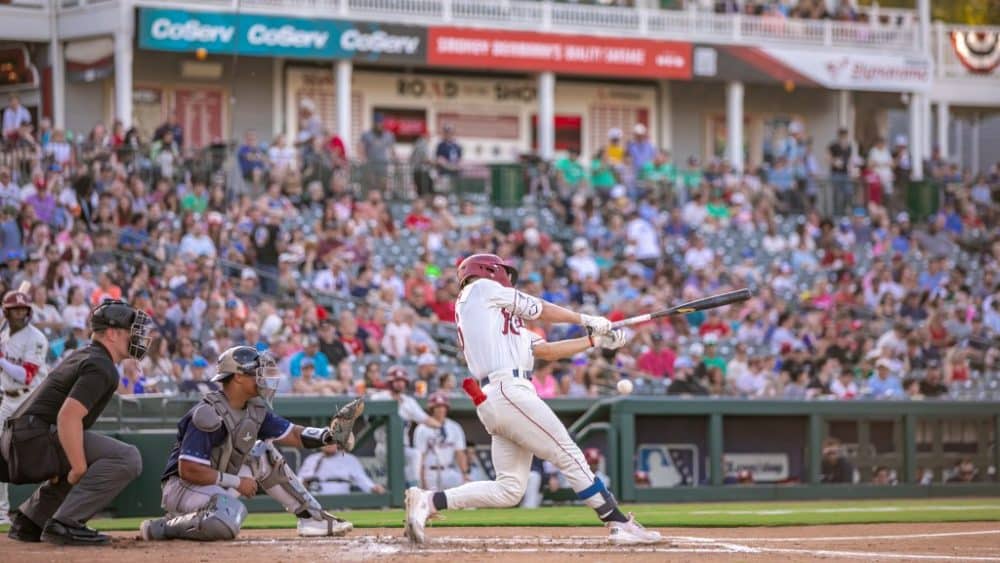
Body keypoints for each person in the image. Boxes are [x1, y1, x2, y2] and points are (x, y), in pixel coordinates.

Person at [404, 253, 660, 545]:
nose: (508, 281)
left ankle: (429, 501)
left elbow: (548, 351)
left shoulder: (500, 323)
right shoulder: (479, 289)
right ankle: (618, 523)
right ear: (488, 271)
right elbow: (539, 308)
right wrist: (585, 319)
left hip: (500, 396)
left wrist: (595, 340)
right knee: (569, 454)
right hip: (507, 390)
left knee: (509, 489)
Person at [139, 346, 366, 541]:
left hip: (217, 484)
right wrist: (236, 481)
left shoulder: (254, 409)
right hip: (182, 489)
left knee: (263, 453)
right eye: (256, 372)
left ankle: (311, 518)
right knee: (227, 518)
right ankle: (163, 527)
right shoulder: (208, 413)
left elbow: (294, 435)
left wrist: (329, 435)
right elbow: (188, 470)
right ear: (238, 376)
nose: (263, 377)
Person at [2, 300, 149, 545]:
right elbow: (68, 417)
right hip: (33, 438)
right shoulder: (101, 365)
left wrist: (76, 464)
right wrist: (78, 467)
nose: (136, 337)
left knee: (78, 454)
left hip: (22, 436)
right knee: (126, 458)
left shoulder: (87, 355)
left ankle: (31, 521)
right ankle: (66, 523)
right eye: (130, 331)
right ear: (112, 334)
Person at [0, 290, 50, 525]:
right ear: (6, 312)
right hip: (7, 401)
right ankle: (1, 513)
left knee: (43, 457)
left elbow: (26, 375)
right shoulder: (4, 335)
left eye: (22, 309)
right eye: (14, 310)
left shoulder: (36, 338)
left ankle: (51, 511)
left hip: (31, 400)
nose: (19, 313)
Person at [371, 366, 441, 487]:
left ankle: (414, 489)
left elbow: (425, 419)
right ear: (390, 382)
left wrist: (440, 425)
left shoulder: (409, 402)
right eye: (397, 380)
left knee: (414, 456)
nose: (400, 384)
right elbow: (369, 418)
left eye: (402, 381)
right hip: (384, 446)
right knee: (387, 480)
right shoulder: (379, 398)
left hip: (402, 447)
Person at [414, 392, 469, 490]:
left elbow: (460, 453)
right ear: (432, 409)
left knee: (466, 493)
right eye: (437, 407)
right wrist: (421, 480)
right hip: (430, 473)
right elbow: (420, 457)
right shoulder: (422, 428)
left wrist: (464, 474)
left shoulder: (454, 427)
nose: (441, 410)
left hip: (449, 470)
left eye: (443, 406)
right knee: (430, 502)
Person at [299, 442, 385, 495]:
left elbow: (361, 478)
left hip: (340, 498)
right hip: (317, 498)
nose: (329, 444)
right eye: (326, 441)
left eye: (332, 441)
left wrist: (373, 487)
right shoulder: (312, 459)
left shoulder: (348, 458)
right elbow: (301, 480)